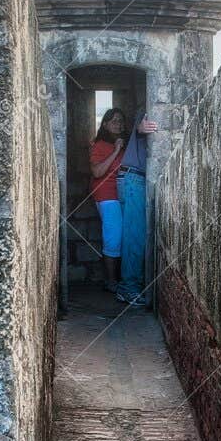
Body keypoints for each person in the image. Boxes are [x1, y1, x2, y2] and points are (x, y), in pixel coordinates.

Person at [115, 107, 159, 307]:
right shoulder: (145, 112)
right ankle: (128, 289)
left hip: (131, 178)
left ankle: (130, 285)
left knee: (135, 235)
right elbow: (141, 125)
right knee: (135, 236)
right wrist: (141, 128)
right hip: (133, 179)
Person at [89, 106, 127, 293]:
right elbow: (97, 172)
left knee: (122, 237)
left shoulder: (123, 144)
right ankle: (111, 281)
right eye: (114, 121)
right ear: (105, 125)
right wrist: (115, 150)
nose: (118, 124)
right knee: (114, 237)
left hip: (122, 195)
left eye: (121, 120)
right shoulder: (99, 145)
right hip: (106, 194)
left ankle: (118, 279)